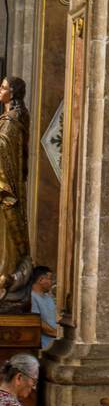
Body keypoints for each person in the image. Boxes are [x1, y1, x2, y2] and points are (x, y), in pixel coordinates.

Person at [0, 75, 31, 306]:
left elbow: (4, 150)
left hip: (5, 190)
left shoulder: (11, 121)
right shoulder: (10, 118)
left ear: (13, 93)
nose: (0, 91)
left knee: (8, 238)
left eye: (3, 88)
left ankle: (7, 276)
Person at [30, 266, 59, 352]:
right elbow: (37, 322)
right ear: (41, 280)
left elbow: (56, 317)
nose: (51, 282)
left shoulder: (48, 298)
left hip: (54, 343)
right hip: (43, 346)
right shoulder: (32, 297)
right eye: (50, 279)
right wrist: (57, 334)